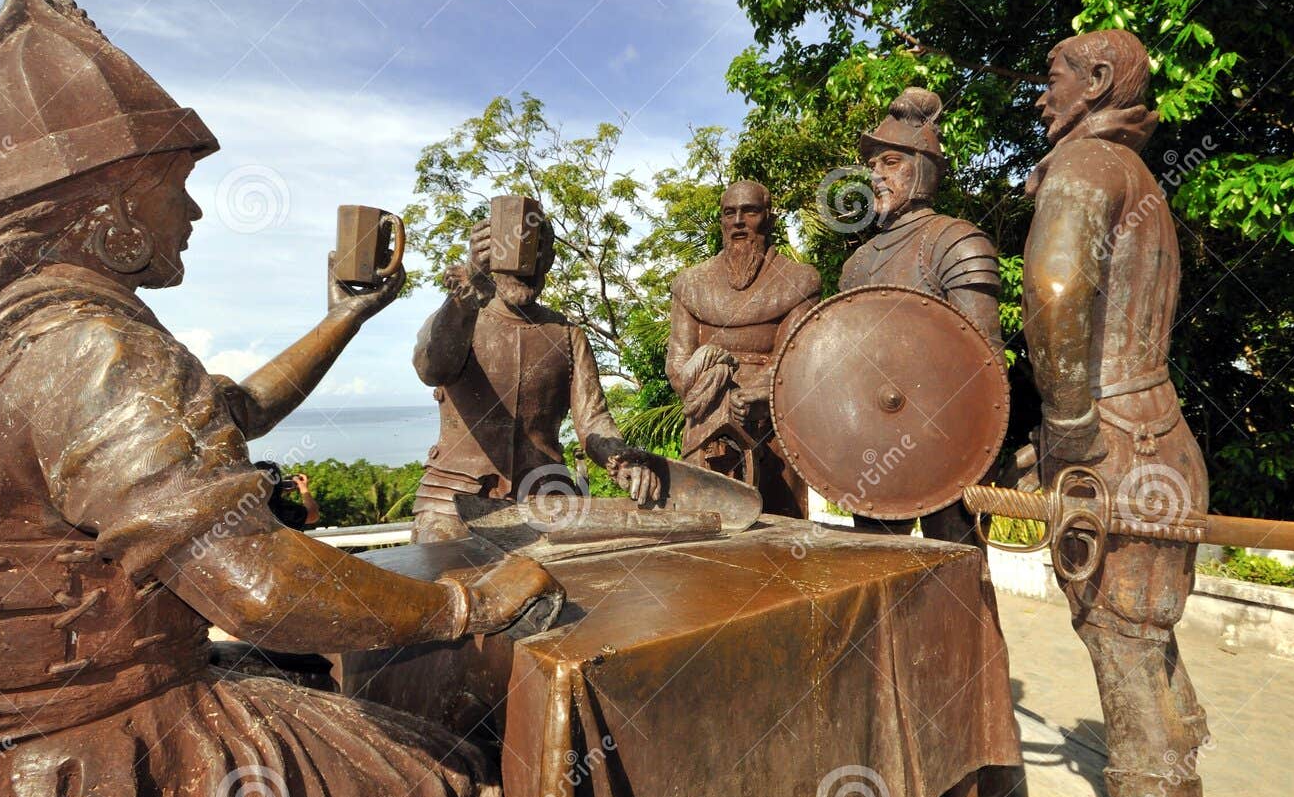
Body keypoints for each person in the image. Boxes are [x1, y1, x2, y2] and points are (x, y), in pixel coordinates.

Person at [0, 0, 562, 797]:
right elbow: (253, 583)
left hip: (31, 763)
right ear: (112, 221)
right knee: (467, 794)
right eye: (176, 189)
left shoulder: (17, 344)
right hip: (122, 743)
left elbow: (238, 409)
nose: (197, 214)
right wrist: (465, 606)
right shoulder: (96, 351)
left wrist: (346, 316)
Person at [1021, 28, 1210, 797]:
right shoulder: (1137, 178)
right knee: (1142, 640)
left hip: (1115, 447)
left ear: (1099, 80)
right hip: (1155, 436)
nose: (1042, 93)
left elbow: (1056, 289)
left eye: (1055, 75)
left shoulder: (1086, 167)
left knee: (1125, 646)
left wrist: (1066, 430)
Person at [409, 201, 660, 542]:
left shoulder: (567, 334)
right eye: (517, 250)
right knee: (450, 574)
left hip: (546, 497)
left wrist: (621, 461)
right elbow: (432, 367)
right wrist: (470, 292)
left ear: (550, 261)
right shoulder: (461, 317)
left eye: (539, 252)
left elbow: (593, 421)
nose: (528, 265)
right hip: (452, 501)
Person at [838, 86, 1004, 543]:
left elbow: (986, 365)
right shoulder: (857, 264)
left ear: (924, 168)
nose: (875, 175)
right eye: (872, 165)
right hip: (874, 447)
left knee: (957, 577)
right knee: (878, 578)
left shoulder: (955, 242)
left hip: (947, 445)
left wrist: (973, 454)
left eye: (891, 162)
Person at [666, 181, 820, 516]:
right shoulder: (690, 283)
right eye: (729, 213)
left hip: (773, 424)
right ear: (721, 221)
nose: (738, 221)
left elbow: (794, 359)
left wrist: (752, 395)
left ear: (769, 218)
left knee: (776, 539)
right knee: (705, 537)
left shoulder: (800, 280)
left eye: (749, 211)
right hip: (706, 423)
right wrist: (711, 391)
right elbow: (677, 362)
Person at [254, 461, 319, 529]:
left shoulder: (246, 504)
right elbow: (313, 515)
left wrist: (279, 491)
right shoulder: (280, 509)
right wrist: (304, 489)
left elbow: (265, 495)